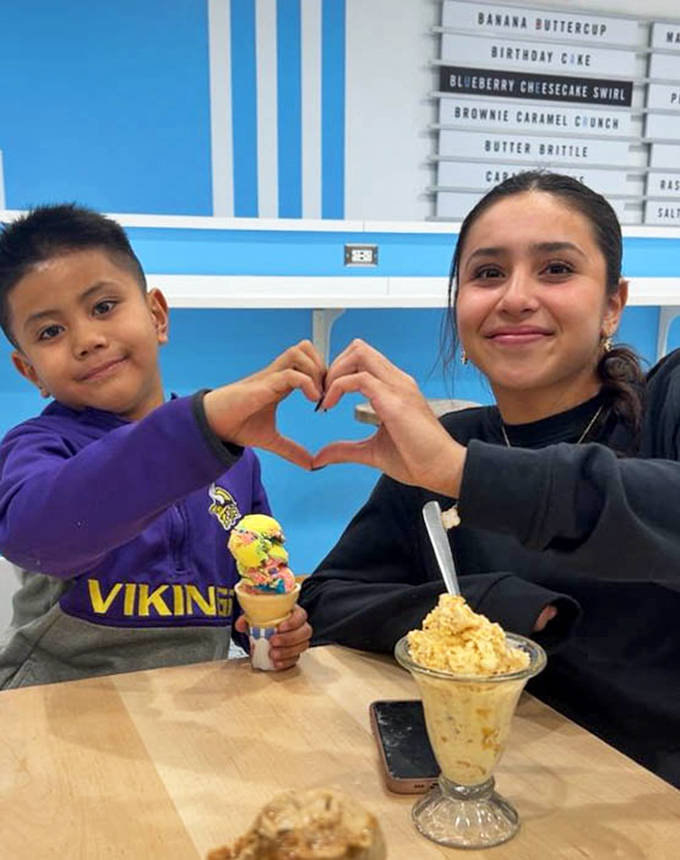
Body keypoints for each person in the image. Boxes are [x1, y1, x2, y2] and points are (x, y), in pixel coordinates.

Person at [299, 171, 680, 789]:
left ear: (614, 303)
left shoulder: (664, 405)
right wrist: (485, 606)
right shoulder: (440, 448)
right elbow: (326, 600)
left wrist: (463, 474)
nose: (515, 297)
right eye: (487, 273)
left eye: (556, 269)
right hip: (484, 793)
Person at [0, 204, 319, 688]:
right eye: (50, 332)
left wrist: (278, 629)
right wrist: (199, 428)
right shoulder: (37, 450)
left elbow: (252, 584)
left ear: (157, 316)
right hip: (55, 711)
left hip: (187, 714)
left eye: (103, 307)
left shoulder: (236, 461)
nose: (86, 339)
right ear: (30, 372)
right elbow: (36, 534)